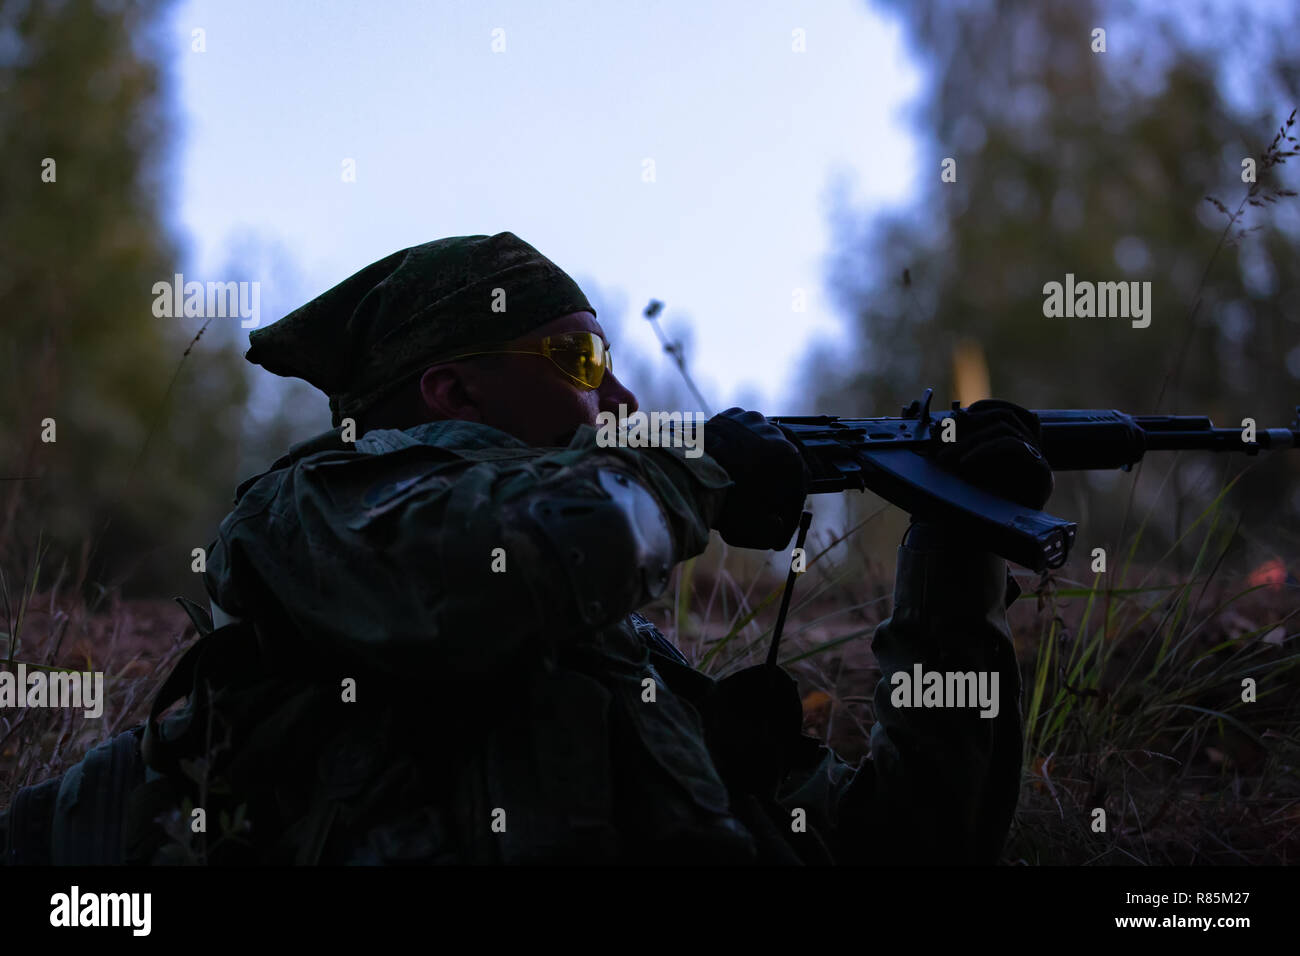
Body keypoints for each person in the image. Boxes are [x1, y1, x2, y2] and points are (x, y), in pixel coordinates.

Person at [0, 232, 1051, 865]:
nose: (624, 395)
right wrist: (699, 467)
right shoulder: (320, 510)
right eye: (581, 356)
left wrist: (953, 562)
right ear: (451, 389)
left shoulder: (644, 681)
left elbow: (909, 850)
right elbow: (489, 568)